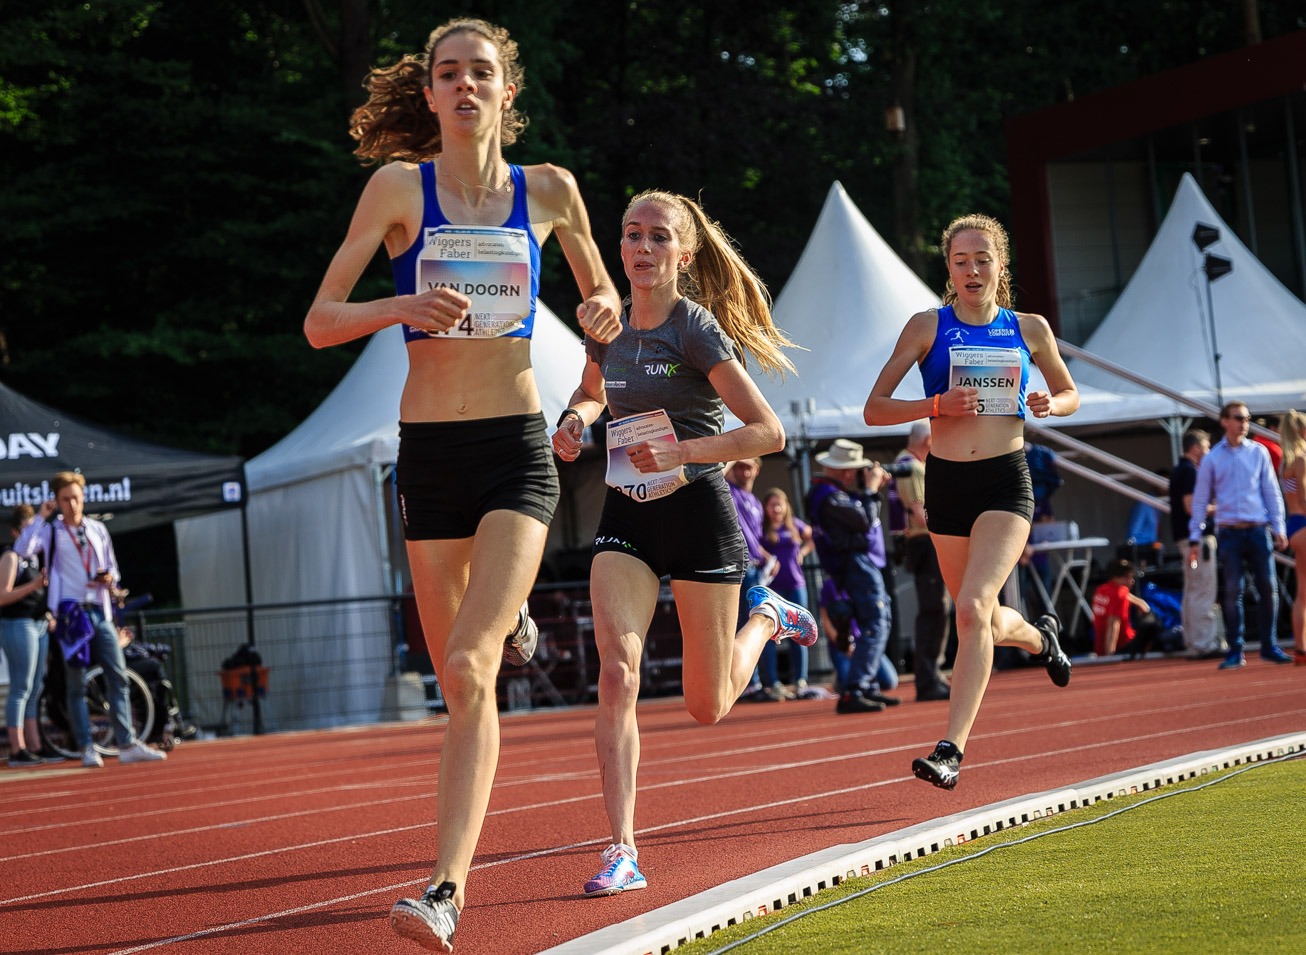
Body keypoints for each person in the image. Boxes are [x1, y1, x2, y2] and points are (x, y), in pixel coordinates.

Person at [302, 18, 623, 951]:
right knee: (458, 680)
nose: (467, 86)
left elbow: (607, 315)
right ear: (433, 94)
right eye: (450, 74)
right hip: (429, 455)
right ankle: (512, 615)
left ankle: (444, 888)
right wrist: (401, 304)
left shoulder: (551, 190)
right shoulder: (398, 188)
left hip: (517, 446)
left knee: (474, 667)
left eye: (483, 72)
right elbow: (321, 321)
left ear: (506, 92)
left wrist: (597, 333)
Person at [551, 188, 815, 898]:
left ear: (684, 253)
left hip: (699, 510)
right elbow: (593, 391)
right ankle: (622, 848)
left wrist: (682, 451)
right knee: (618, 673)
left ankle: (768, 617)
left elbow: (768, 433)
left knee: (707, 704)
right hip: (626, 515)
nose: (641, 248)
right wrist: (576, 420)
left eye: (658, 237)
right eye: (632, 235)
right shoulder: (605, 325)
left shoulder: (695, 329)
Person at [863, 213, 1078, 791]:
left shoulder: (1029, 327)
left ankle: (951, 748)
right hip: (948, 486)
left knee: (972, 607)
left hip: (1007, 481)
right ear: (949, 268)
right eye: (961, 261)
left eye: (983, 259)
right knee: (976, 613)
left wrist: (1048, 404)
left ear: (1000, 266)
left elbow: (1069, 392)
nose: (973, 270)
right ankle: (1040, 637)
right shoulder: (926, 326)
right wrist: (934, 406)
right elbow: (874, 408)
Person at [14, 473, 167, 768]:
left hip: (99, 609)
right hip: (72, 614)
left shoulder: (97, 529)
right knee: (76, 683)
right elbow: (22, 550)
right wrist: (40, 517)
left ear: (83, 498)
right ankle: (86, 746)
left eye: (75, 497)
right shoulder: (52, 531)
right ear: (56, 502)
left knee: (118, 676)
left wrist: (110, 579)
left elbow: (113, 569)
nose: (71, 504)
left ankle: (126, 742)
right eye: (65, 499)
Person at [1187, 400, 1291, 669]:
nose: (1244, 423)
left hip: (1257, 529)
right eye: (1238, 418)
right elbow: (1200, 501)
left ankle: (1269, 645)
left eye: (1247, 418)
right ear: (1224, 421)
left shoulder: (1258, 453)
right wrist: (1195, 537)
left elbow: (1271, 491)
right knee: (1233, 591)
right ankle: (1236, 649)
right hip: (1229, 533)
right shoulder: (1212, 458)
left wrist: (1278, 528)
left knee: (1268, 588)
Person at [805, 440, 899, 714]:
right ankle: (855, 690)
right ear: (847, 472)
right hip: (856, 566)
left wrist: (868, 492)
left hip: (851, 566)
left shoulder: (825, 494)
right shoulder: (830, 497)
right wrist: (870, 490)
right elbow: (864, 521)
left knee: (878, 620)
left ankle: (866, 687)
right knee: (876, 622)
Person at [894, 421, 952, 701]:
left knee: (937, 608)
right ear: (928, 440)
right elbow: (921, 513)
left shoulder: (909, 463)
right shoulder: (913, 466)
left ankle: (932, 675)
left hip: (923, 541)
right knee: (934, 609)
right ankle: (929, 677)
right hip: (926, 541)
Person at [2, 505, 62, 767]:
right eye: (28, 530)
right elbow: (2, 596)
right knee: (21, 687)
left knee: (35, 689)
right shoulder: (10, 557)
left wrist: (47, 614)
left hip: (36, 625)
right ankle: (17, 748)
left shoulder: (35, 558)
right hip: (17, 625)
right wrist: (34, 586)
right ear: (17, 531)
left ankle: (35, 745)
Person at [1168, 429, 1223, 659]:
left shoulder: (1179, 470)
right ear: (1196, 448)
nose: (1209, 453)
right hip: (1197, 540)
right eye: (1207, 447)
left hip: (1188, 539)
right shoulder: (1190, 471)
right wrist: (1221, 508)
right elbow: (1192, 507)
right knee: (1202, 590)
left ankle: (1194, 641)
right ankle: (1203, 643)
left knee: (1193, 591)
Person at [758, 487, 814, 699]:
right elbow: (751, 544)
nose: (777, 508)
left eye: (780, 504)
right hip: (772, 590)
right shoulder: (761, 530)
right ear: (766, 508)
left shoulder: (795, 525)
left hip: (795, 585)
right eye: (772, 504)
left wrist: (803, 552)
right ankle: (773, 682)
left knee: (799, 634)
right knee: (771, 635)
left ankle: (800, 680)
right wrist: (766, 558)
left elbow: (812, 537)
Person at [724, 458, 771, 699]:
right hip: (738, 568)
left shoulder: (754, 501)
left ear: (757, 470)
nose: (743, 470)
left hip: (755, 568)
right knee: (743, 623)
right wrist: (732, 457)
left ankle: (761, 681)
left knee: (758, 623)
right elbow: (718, 475)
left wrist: (768, 558)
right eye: (739, 466)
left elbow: (754, 539)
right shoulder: (730, 492)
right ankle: (749, 684)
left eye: (748, 465)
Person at [818, 576, 900, 697]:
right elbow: (825, 621)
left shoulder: (864, 582)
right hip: (842, 648)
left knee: (889, 681)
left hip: (865, 644)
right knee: (847, 685)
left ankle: (867, 676)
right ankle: (844, 677)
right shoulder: (829, 585)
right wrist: (844, 645)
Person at [1274, 410, 1305, 665]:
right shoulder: (1302, 459)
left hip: (1293, 524)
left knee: (1303, 593)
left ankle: (1301, 649)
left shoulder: (1285, 461)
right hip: (1304, 522)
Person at [1091, 559, 1153, 658]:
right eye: (1130, 577)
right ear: (1123, 577)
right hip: (1123, 646)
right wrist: (1110, 654)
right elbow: (1113, 625)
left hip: (1100, 647)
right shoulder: (1120, 593)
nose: (1132, 581)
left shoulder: (1102, 589)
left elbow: (1142, 604)